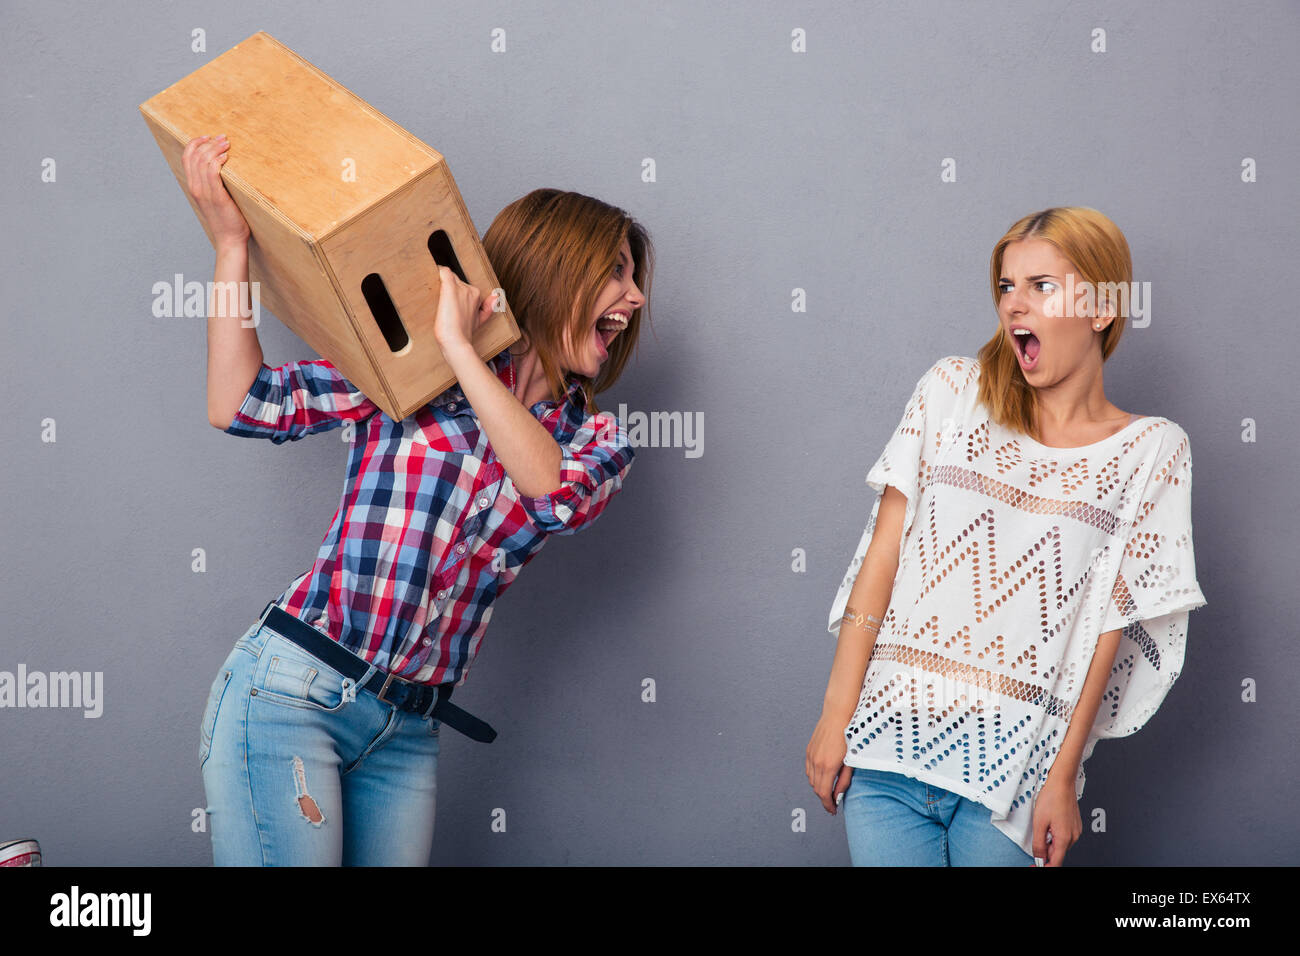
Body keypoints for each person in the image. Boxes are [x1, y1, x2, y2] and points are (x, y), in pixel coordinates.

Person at [186, 133, 653, 865]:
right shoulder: (410, 371)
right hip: (291, 694)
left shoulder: (598, 442)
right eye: (616, 272)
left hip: (407, 734)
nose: (637, 296)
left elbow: (552, 490)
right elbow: (242, 403)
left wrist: (465, 353)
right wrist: (230, 247)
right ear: (554, 271)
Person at [806, 207, 1207, 866]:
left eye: (1041, 286)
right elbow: (882, 557)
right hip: (884, 755)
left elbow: (1110, 624)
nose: (1014, 304)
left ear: (1102, 308)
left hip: (1015, 780)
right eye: (1005, 286)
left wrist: (1063, 778)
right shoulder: (951, 394)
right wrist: (834, 715)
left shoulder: (1152, 450)